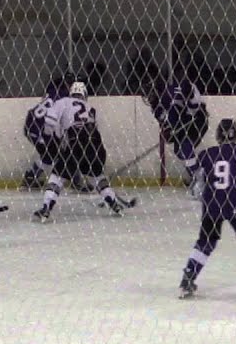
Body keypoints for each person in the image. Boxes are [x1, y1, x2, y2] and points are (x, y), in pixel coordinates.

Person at [179, 118, 236, 299]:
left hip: (212, 206)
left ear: (218, 135)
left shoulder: (207, 154)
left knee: (205, 241)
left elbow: (195, 182)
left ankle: (188, 278)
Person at [33, 81, 134, 222]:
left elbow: (50, 121)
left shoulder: (63, 101)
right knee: (96, 176)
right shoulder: (90, 107)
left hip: (75, 141)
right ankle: (112, 203)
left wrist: (50, 139)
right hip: (96, 145)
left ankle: (46, 207)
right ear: (84, 94)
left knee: (58, 176)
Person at [147, 58, 210, 197]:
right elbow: (166, 123)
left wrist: (197, 110)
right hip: (183, 125)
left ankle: (200, 180)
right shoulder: (156, 107)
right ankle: (198, 174)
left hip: (196, 122)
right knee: (179, 150)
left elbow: (192, 106)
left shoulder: (176, 90)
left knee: (186, 146)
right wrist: (169, 131)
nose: (149, 96)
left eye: (151, 92)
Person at [22, 72, 70, 190]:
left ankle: (31, 177)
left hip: (31, 124)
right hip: (39, 128)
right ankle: (30, 177)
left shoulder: (52, 91)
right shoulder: (64, 97)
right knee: (51, 156)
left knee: (49, 154)